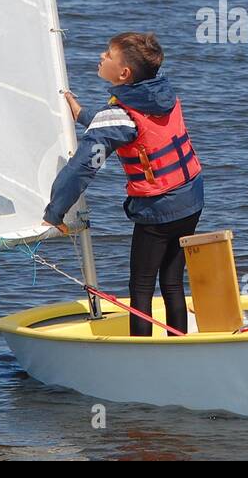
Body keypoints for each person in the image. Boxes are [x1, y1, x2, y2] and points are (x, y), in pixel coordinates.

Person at [43, 32, 204, 337]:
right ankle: (180, 345)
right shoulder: (162, 95)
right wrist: (81, 114)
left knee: (141, 287)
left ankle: (141, 355)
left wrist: (55, 212)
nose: (102, 56)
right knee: (172, 280)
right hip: (191, 198)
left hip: (158, 210)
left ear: (123, 73)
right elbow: (116, 123)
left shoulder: (119, 114)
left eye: (108, 54)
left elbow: (82, 169)